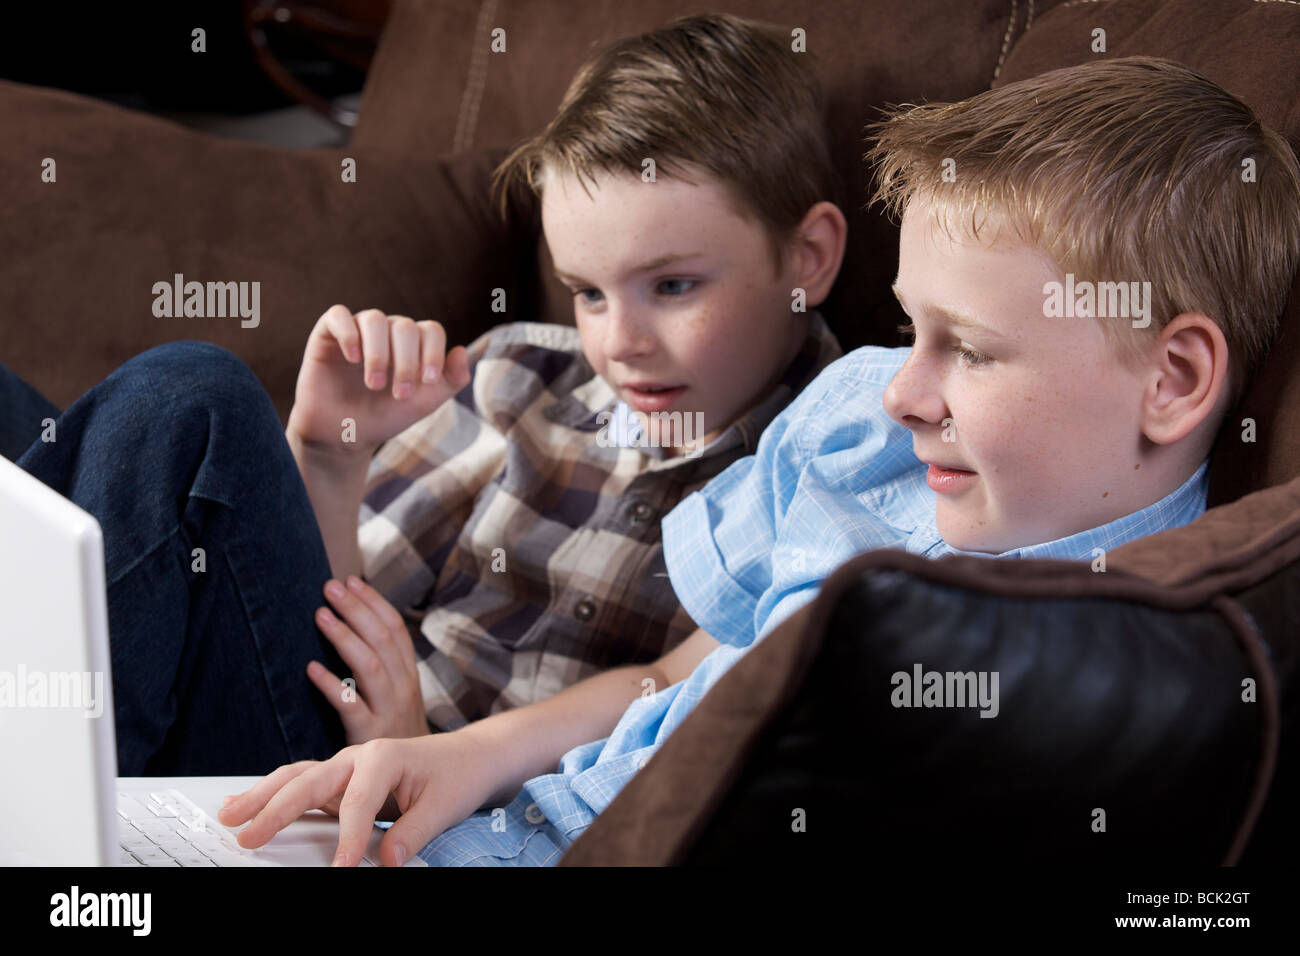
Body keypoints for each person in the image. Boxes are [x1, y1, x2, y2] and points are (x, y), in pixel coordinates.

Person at [220, 55, 1300, 866]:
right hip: (483, 813)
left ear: (1170, 381)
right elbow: (660, 676)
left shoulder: (1109, 651)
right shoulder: (855, 427)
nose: (900, 390)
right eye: (910, 329)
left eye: (965, 349)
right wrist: (458, 757)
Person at [0, 12, 845, 776]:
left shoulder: (825, 474)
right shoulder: (518, 378)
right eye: (588, 292)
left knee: (191, 397)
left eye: (673, 287)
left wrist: (422, 755)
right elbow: (322, 622)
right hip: (310, 722)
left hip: (395, 803)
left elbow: (659, 738)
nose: (618, 343)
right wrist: (331, 461)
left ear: (807, 258)